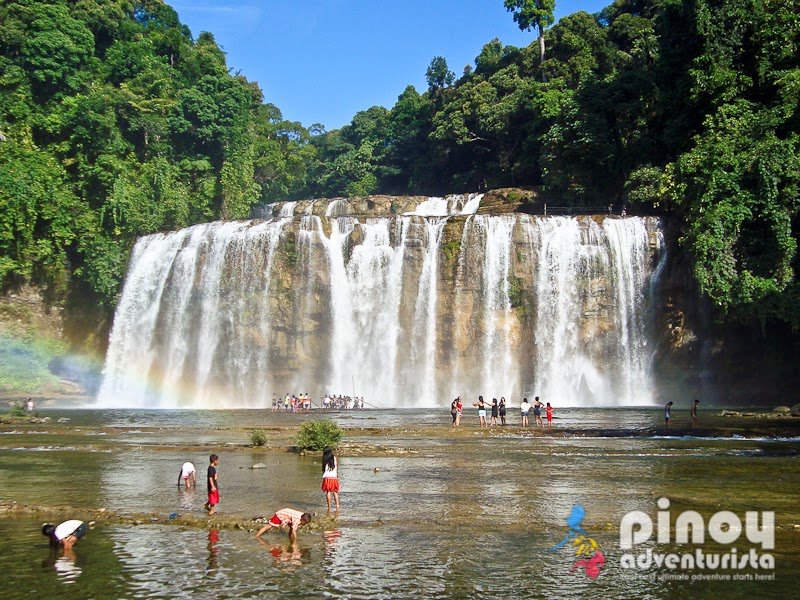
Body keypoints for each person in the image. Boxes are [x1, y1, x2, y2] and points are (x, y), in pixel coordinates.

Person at [322, 446, 340, 511]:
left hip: (327, 477)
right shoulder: (334, 458)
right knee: (335, 491)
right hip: (333, 477)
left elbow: (323, 468)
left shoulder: (324, 458)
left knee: (328, 492)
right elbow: (336, 466)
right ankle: (337, 505)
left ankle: (329, 506)